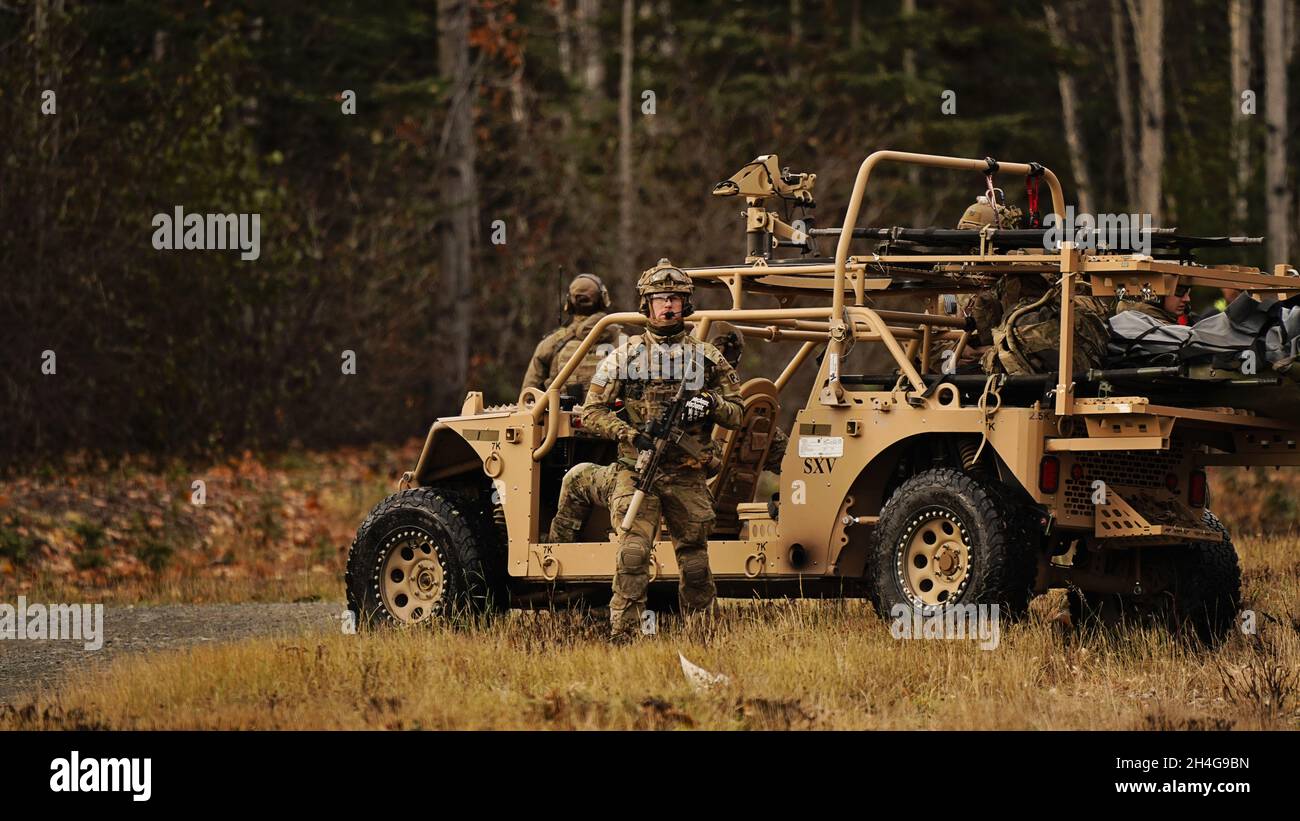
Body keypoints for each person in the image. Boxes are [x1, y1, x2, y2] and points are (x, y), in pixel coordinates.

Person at [580, 259, 744, 640]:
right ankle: (625, 636)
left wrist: (711, 405)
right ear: (647, 305)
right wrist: (631, 435)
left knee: (696, 561)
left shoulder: (708, 358)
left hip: (687, 472)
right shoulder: (625, 357)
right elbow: (591, 412)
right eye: (659, 299)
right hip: (637, 471)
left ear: (685, 304)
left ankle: (702, 636)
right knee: (632, 556)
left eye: (674, 298)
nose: (667, 306)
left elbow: (738, 413)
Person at [547, 328, 785, 545]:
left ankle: (557, 555)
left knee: (576, 477)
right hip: (709, 507)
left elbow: (597, 414)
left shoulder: (679, 398)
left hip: (661, 493)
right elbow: (784, 458)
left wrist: (628, 430)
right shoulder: (753, 417)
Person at [521, 273, 619, 397]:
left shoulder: (551, 344)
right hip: (609, 416)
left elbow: (528, 397)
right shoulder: (623, 341)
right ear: (603, 300)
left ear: (569, 302)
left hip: (558, 416)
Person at [1115, 285, 1193, 325]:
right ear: (1156, 294)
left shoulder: (1122, 321)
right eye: (1179, 291)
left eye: (1188, 292)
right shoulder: (1167, 332)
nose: (1187, 299)